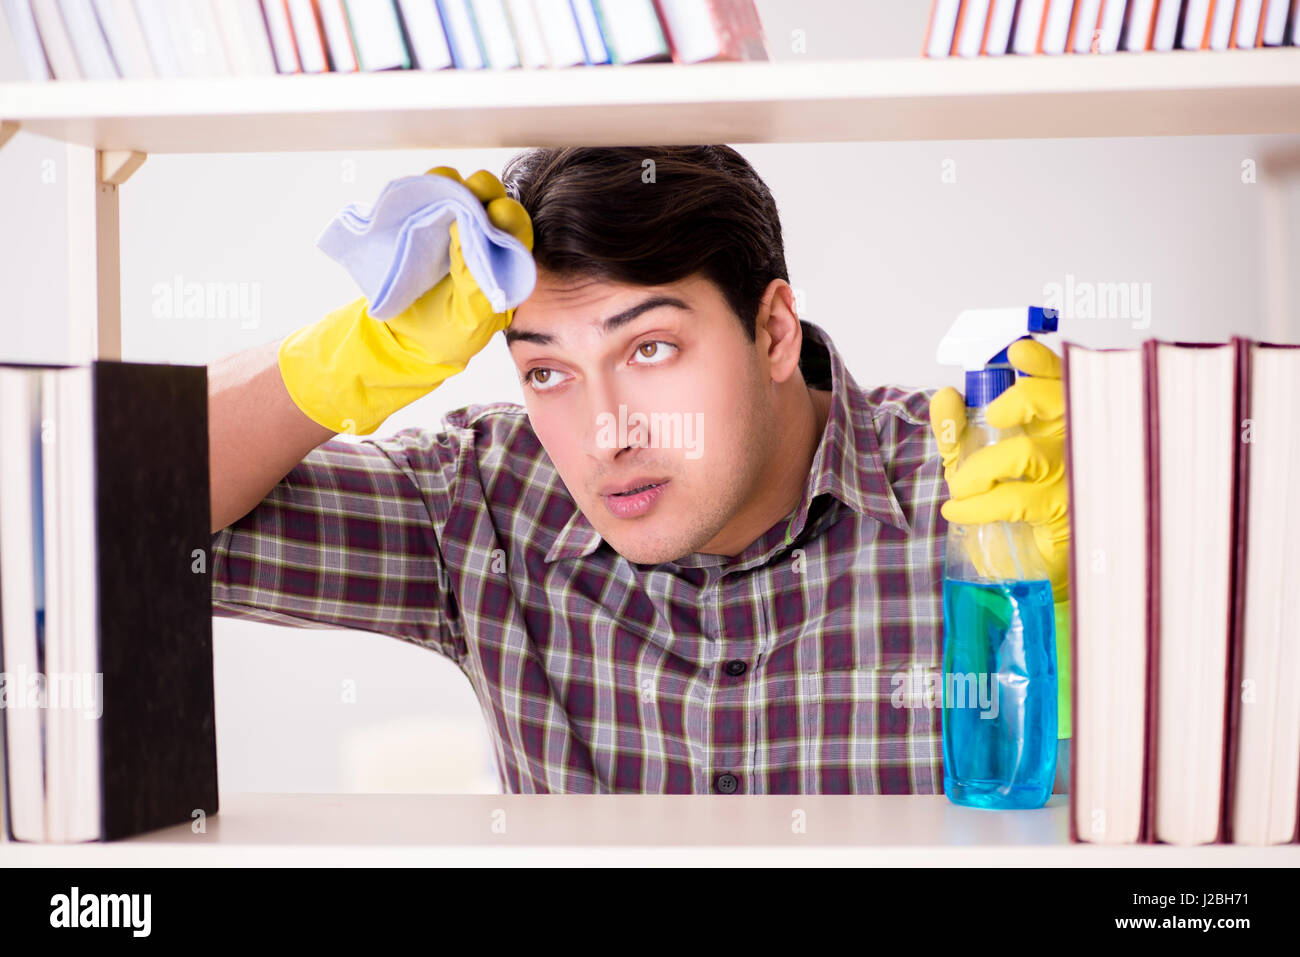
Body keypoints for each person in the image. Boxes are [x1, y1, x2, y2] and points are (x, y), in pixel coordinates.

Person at [209, 146, 1070, 795]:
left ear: (774, 331)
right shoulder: (484, 501)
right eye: (547, 371)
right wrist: (351, 360)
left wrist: (1119, 581)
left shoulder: (988, 487)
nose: (603, 434)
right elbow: (105, 504)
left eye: (650, 348)